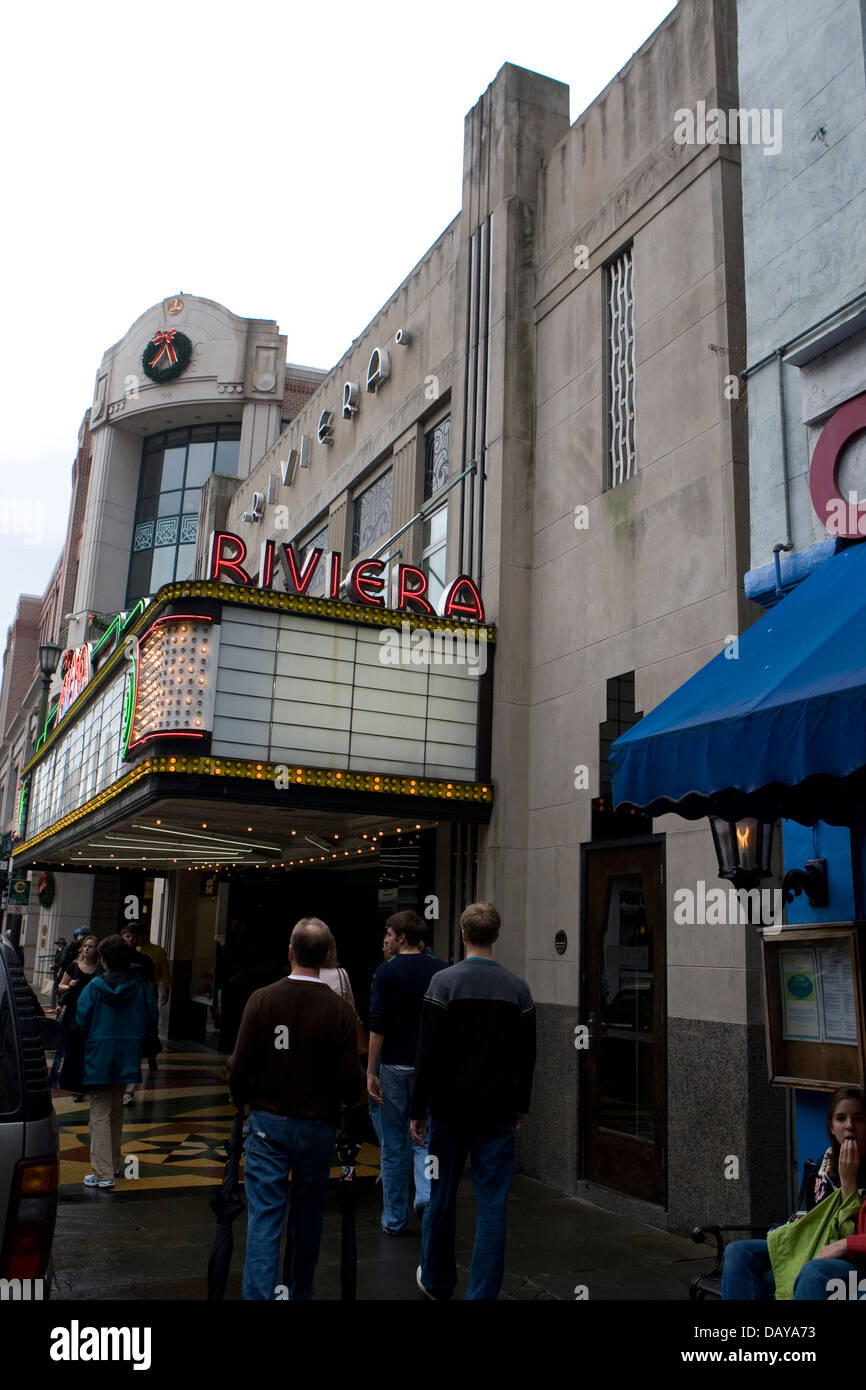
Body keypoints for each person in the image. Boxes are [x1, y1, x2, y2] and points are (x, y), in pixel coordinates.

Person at [227, 917, 364, 1300]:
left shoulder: (263, 999)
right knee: (307, 1218)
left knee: (265, 1217)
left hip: (268, 1122)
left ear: (290, 952)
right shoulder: (339, 1011)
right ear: (324, 957)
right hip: (318, 1125)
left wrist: (242, 1100)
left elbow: (240, 1065)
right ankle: (300, 1290)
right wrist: (346, 1101)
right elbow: (351, 1078)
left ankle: (260, 1294)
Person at [410, 902, 536, 1300]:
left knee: (441, 1194)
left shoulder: (443, 984)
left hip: (449, 1110)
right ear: (495, 935)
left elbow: (426, 1053)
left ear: (464, 935)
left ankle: (436, 1279)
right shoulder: (518, 989)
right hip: (498, 1110)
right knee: (493, 1204)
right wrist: (521, 1104)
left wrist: (418, 1109)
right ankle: (482, 1293)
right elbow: (527, 1056)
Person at [722, 1086, 866, 1299]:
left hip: (853, 1263)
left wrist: (849, 1182)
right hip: (817, 1247)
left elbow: (848, 1235)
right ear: (831, 1127)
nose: (849, 1127)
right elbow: (809, 1222)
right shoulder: (823, 1166)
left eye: (859, 1119)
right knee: (739, 1252)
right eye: (841, 1118)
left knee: (812, 1273)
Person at [367, 910, 445, 1235]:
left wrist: (371, 1069)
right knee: (424, 1138)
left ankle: (394, 1218)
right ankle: (426, 1195)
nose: (387, 938)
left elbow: (377, 1025)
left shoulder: (386, 973)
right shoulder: (441, 971)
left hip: (394, 1067)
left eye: (389, 932)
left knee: (394, 1144)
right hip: (429, 1069)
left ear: (401, 937)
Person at [75, 935, 158, 1189]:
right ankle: (114, 1163)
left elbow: (81, 1020)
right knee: (116, 1110)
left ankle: (102, 1173)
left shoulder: (94, 987)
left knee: (99, 1113)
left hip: (98, 1055)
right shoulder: (140, 987)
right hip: (127, 1054)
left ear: (103, 959)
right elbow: (151, 1016)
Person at [56, 933, 103, 1100]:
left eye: (91, 946)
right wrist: (68, 985)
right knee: (73, 1049)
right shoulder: (73, 966)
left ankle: (85, 1084)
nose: (87, 949)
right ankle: (74, 1086)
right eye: (85, 946)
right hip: (74, 1012)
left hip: (92, 1014)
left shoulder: (100, 969)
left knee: (87, 1050)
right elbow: (60, 986)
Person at [121, 923, 159, 1102]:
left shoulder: (144, 961)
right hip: (118, 1010)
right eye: (127, 936)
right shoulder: (114, 957)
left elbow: (151, 985)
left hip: (136, 1011)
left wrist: (148, 1007)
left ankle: (129, 1089)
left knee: (133, 1050)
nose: (130, 940)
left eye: (133, 937)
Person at [138, 927, 172, 1039]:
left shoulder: (158, 951)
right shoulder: (135, 949)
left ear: (147, 935)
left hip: (151, 989)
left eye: (141, 935)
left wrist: (166, 990)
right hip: (134, 988)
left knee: (150, 1017)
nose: (138, 938)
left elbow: (165, 972)